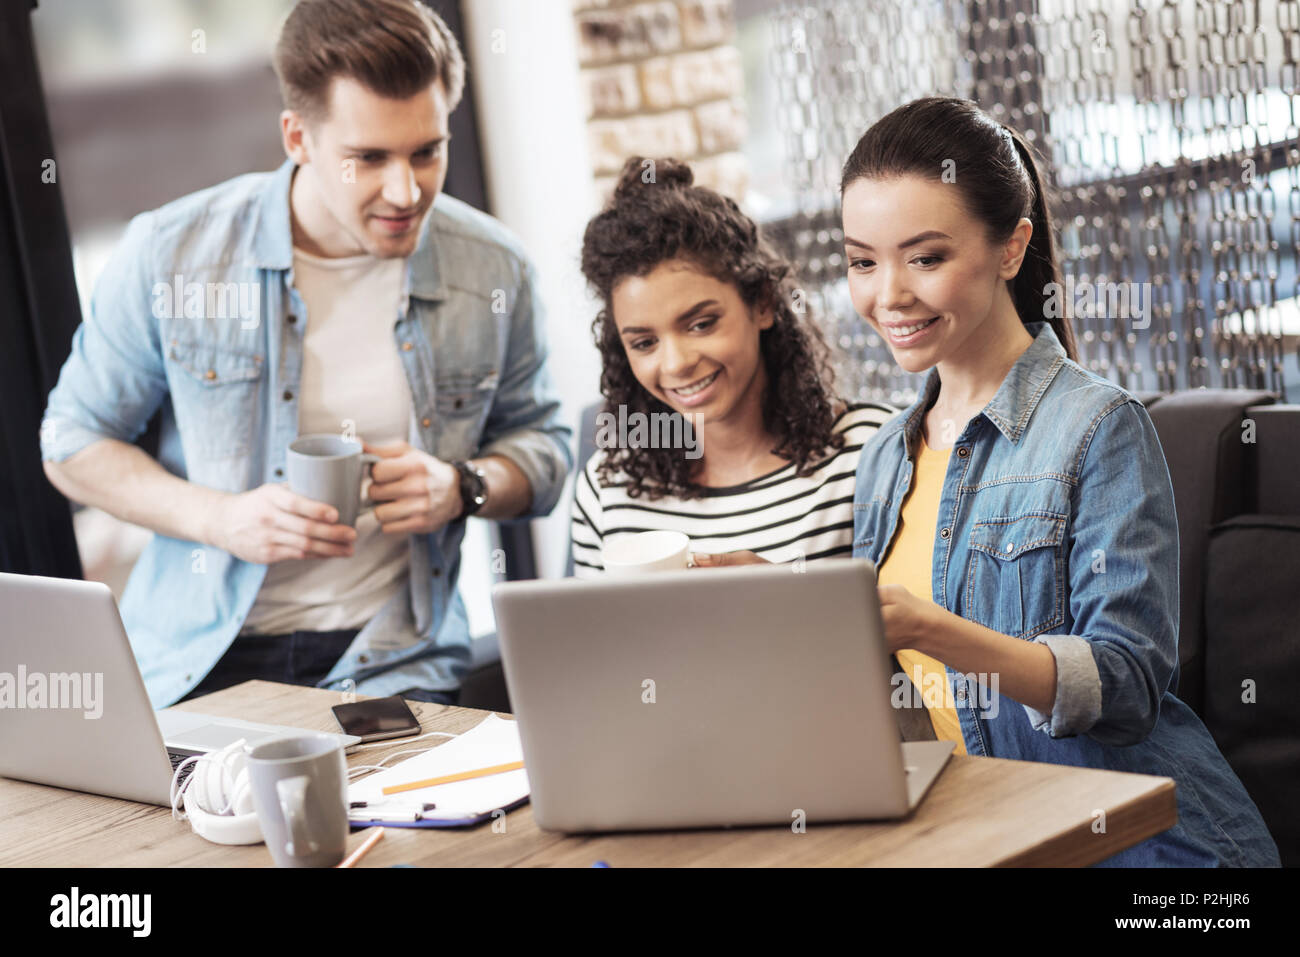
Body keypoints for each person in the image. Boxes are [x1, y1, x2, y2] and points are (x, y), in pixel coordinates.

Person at [39, 0, 571, 708]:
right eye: (369, 158)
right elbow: (70, 443)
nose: (406, 191)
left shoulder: (494, 269)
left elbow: (546, 447)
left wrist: (461, 486)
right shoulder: (173, 255)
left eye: (427, 151)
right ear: (297, 137)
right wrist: (218, 519)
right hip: (201, 660)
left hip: (394, 657)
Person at [841, 96, 1279, 866]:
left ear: (1012, 248)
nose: (889, 295)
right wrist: (777, 608)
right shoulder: (884, 459)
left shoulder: (1097, 426)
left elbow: (1126, 683)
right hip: (987, 841)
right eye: (862, 261)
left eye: (926, 257)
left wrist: (928, 629)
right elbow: (913, 718)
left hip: (1148, 858)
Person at [570, 157, 891, 574]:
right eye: (645, 342)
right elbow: (591, 638)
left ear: (761, 304)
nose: (677, 363)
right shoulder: (605, 489)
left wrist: (786, 601)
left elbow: (910, 632)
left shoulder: (868, 454)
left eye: (701, 324)